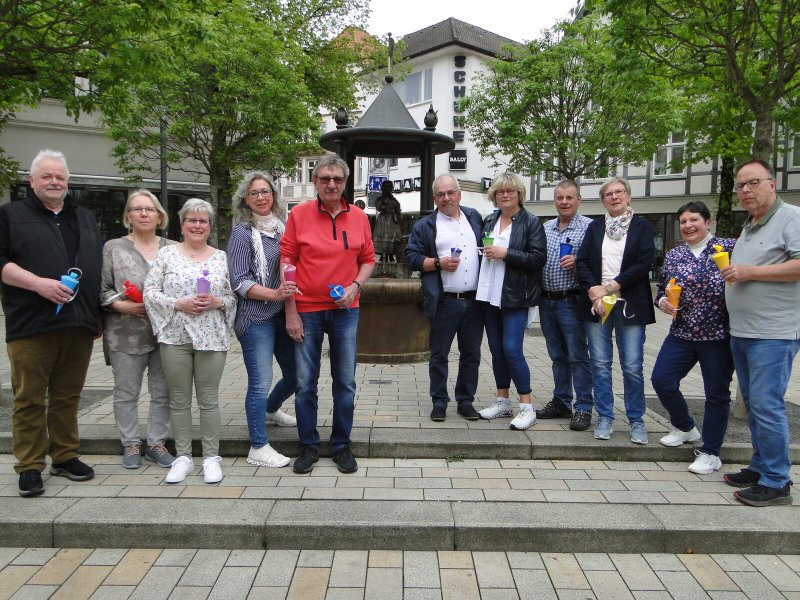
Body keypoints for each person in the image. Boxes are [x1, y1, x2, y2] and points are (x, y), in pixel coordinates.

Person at [0, 149, 102, 497]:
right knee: (29, 398)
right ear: (31, 181)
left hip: (78, 323)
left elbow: (95, 268)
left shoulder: (85, 216)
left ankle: (64, 455)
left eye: (60, 176)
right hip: (31, 323)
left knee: (67, 396)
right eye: (46, 176)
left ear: (68, 181)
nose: (54, 181)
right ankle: (29, 466)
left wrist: (96, 317)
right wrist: (38, 283)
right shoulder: (10, 215)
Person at [281, 154, 375, 475]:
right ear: (315, 182)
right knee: (306, 382)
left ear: (345, 182)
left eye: (337, 179)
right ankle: (308, 445)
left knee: (345, 382)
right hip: (306, 309)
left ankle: (340, 444)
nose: (331, 184)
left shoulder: (360, 217)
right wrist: (290, 311)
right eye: (324, 179)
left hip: (346, 310)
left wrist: (356, 286)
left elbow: (368, 259)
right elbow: (287, 263)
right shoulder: (299, 215)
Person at [720, 159, 800, 507]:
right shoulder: (751, 224)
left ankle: (777, 480)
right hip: (744, 331)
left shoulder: (791, 218)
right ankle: (760, 465)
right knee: (754, 404)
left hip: (774, 332)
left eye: (753, 183)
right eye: (740, 185)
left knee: (767, 406)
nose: (745, 191)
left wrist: (750, 271)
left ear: (772, 183)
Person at [144, 199, 236, 484]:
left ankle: (211, 457)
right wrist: (178, 303)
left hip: (211, 338)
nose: (197, 225)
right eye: (191, 220)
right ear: (181, 224)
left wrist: (217, 300)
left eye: (203, 221)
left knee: (208, 400)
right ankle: (183, 457)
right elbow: (149, 292)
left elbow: (234, 297)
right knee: (180, 400)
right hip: (175, 336)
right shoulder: (166, 255)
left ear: (210, 226)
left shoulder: (222, 258)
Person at [651, 201, 735, 475]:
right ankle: (685, 427)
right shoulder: (675, 255)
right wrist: (662, 300)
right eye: (684, 221)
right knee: (661, 379)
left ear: (707, 222)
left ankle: (711, 452)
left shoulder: (727, 248)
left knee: (716, 394)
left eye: (694, 220)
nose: (688, 225)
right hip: (682, 332)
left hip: (718, 335)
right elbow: (662, 288)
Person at [577, 177, 655, 444]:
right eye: (608, 194)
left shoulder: (642, 227)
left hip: (629, 304)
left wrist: (610, 286)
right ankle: (605, 416)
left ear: (629, 196)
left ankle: (636, 420)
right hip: (597, 305)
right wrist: (593, 289)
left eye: (619, 192)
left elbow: (645, 263)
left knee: (632, 366)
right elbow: (583, 262)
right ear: (603, 200)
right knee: (599, 364)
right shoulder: (595, 228)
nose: (614, 197)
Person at [101, 190, 176, 469]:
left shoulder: (173, 248)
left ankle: (157, 443)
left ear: (159, 216)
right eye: (137, 209)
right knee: (126, 390)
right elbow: (102, 290)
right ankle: (131, 442)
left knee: (163, 390)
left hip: (166, 332)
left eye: (149, 209)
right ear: (128, 217)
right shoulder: (113, 248)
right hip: (125, 331)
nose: (144, 214)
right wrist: (124, 307)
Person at [227, 172, 298, 469]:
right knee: (260, 382)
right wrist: (275, 293)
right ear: (245, 199)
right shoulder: (242, 233)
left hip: (282, 315)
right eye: (253, 193)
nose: (260, 197)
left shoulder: (283, 229)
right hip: (255, 318)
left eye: (265, 191)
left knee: (297, 375)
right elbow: (239, 282)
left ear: (274, 195)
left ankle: (270, 410)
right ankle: (258, 446)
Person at [405, 175, 483, 423]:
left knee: (471, 354)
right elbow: (411, 258)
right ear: (434, 198)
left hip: (474, 301)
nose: (446, 198)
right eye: (441, 194)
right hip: (444, 301)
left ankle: (466, 401)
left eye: (451, 192)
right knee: (439, 354)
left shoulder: (475, 218)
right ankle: (439, 402)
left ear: (459, 194)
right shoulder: (426, 225)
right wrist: (437, 263)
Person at [475, 173, 546, 430]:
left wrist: (506, 253)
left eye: (510, 191)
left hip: (516, 296)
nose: (505, 195)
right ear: (494, 195)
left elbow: (538, 259)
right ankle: (502, 401)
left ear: (519, 194)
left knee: (512, 349)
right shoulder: (490, 220)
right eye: (501, 191)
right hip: (489, 294)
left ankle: (527, 407)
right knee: (496, 350)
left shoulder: (531, 222)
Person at [538, 180, 594, 431]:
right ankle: (561, 401)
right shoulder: (545, 227)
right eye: (560, 197)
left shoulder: (590, 227)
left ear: (579, 200)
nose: (564, 202)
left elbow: (597, 261)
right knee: (557, 355)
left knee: (578, 356)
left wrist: (579, 259)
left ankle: (583, 407)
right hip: (547, 299)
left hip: (571, 300)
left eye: (569, 197)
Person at [374, 179, 403, 262]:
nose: (388, 189)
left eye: (390, 187)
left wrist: (397, 215)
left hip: (392, 220)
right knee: (383, 236)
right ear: (383, 188)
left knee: (392, 237)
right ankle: (383, 254)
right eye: (386, 187)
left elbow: (398, 209)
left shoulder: (394, 200)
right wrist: (385, 205)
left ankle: (390, 254)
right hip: (383, 220)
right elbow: (379, 207)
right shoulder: (380, 199)